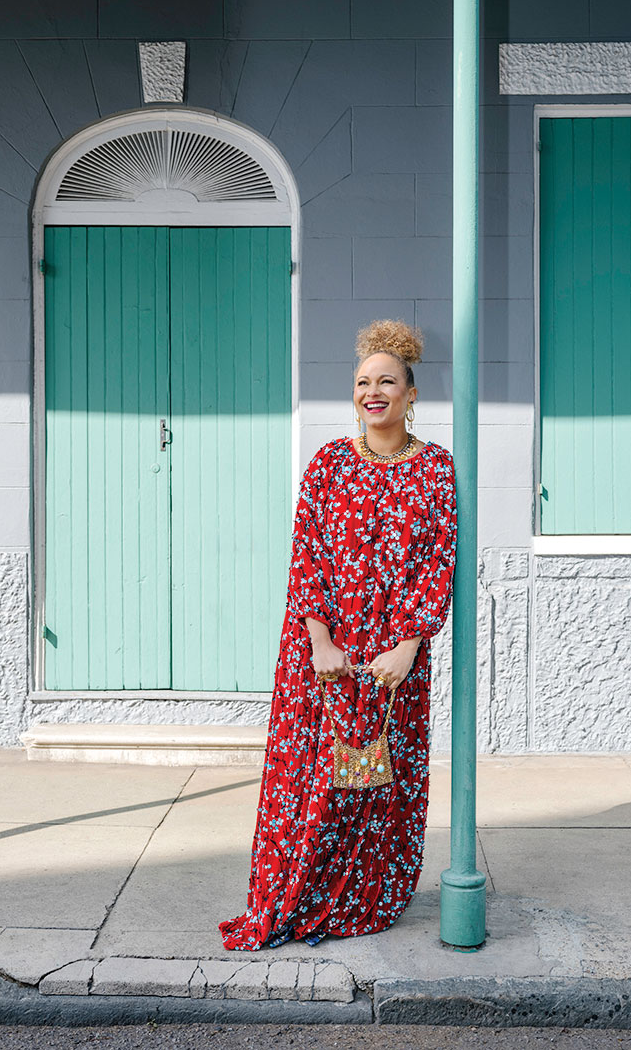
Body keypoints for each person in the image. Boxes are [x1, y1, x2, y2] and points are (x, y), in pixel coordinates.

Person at [218, 319, 458, 950]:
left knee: (379, 778)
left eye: (386, 382)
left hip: (393, 654)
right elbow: (309, 554)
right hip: (325, 651)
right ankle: (299, 893)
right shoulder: (328, 464)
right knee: (317, 782)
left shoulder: (436, 468)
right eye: (361, 382)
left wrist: (409, 646)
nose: (371, 392)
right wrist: (321, 642)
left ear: (411, 393)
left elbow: (440, 559)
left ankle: (368, 892)